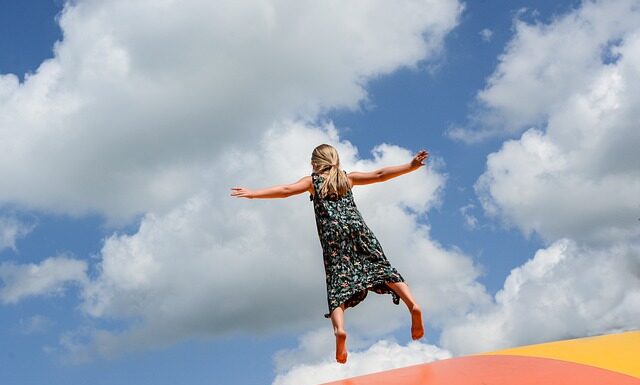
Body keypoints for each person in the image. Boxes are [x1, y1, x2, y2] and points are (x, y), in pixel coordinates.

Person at [230, 144, 428, 364]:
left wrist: (253, 194)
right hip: (357, 228)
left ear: (315, 163)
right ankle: (412, 305)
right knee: (383, 267)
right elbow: (380, 175)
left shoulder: (312, 182)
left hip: (332, 237)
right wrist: (411, 166)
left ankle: (340, 331)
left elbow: (286, 191)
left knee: (337, 283)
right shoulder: (347, 179)